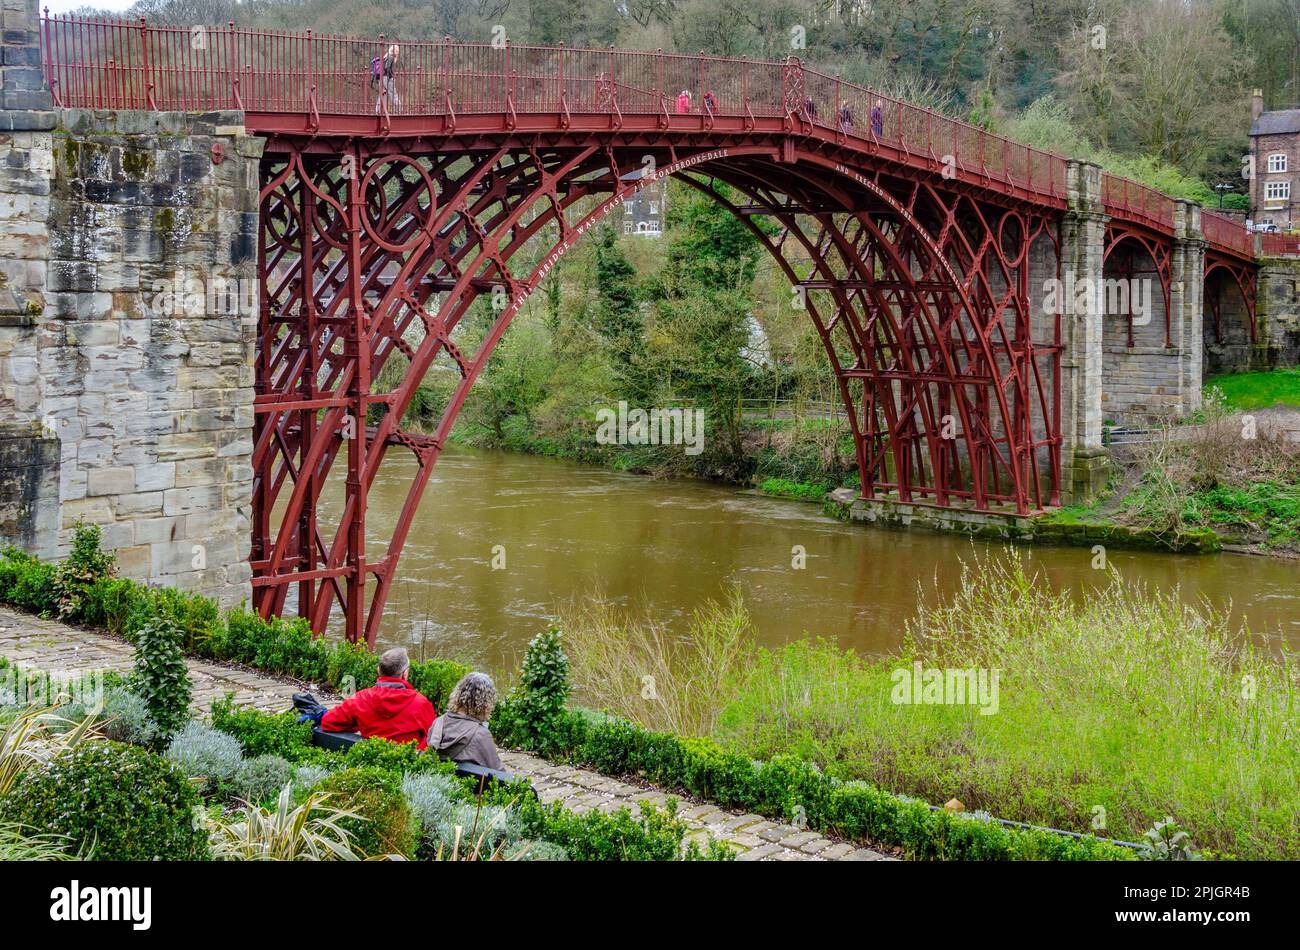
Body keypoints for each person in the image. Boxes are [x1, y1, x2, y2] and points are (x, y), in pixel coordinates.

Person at [320, 647, 435, 749]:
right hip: (407, 766)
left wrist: (358, 723)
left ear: (378, 671)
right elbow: (432, 738)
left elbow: (328, 722)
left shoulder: (360, 699)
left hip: (371, 760)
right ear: (405, 674)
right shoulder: (420, 703)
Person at [426, 671, 504, 771]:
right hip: (468, 785)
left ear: (458, 694)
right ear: (486, 703)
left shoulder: (438, 723)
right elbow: (499, 773)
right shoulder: (481, 735)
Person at [374, 43, 402, 114]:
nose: (398, 52)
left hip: (381, 77)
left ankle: (378, 110)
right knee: (393, 93)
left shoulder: (386, 56)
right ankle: (398, 110)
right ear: (395, 50)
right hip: (386, 78)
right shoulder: (391, 57)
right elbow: (386, 68)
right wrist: (390, 76)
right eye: (397, 50)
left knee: (383, 93)